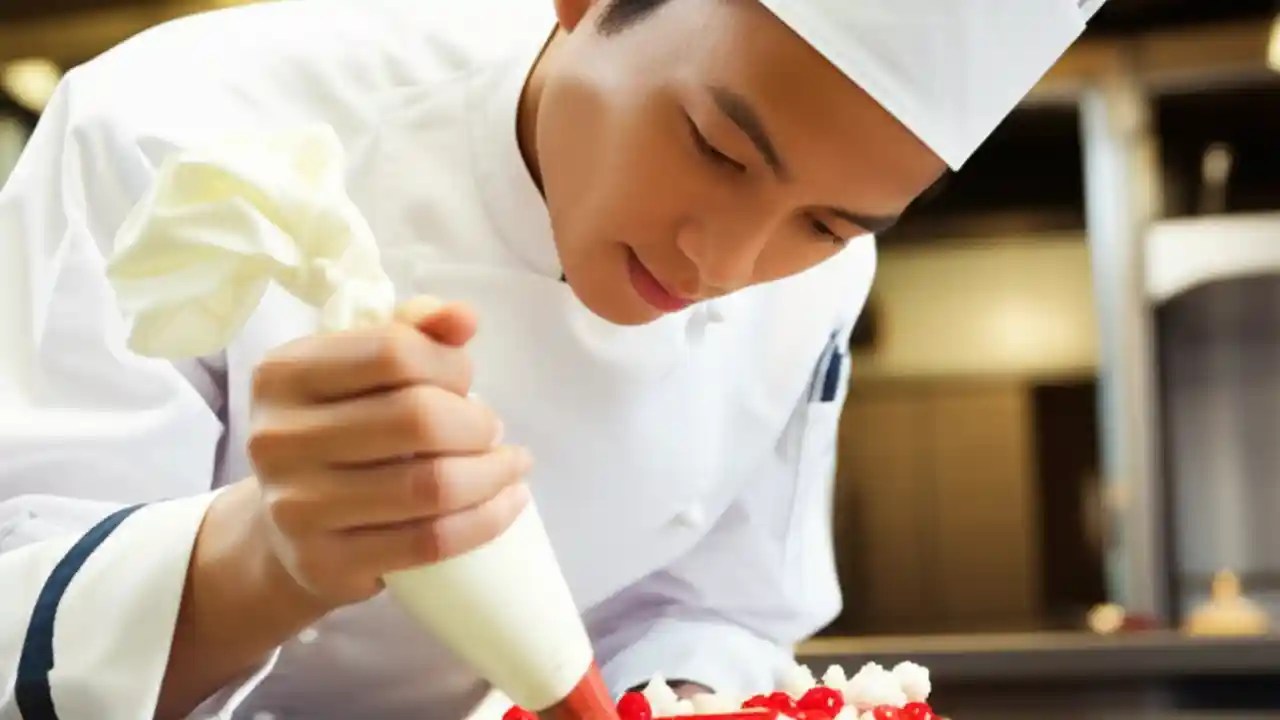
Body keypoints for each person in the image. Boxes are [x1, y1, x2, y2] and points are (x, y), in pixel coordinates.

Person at [0, 0, 1105, 718]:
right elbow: (15, 624)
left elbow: (713, 606)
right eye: (716, 148)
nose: (723, 259)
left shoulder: (816, 280)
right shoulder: (172, 120)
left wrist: (672, 698)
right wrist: (271, 551)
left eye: (826, 223)